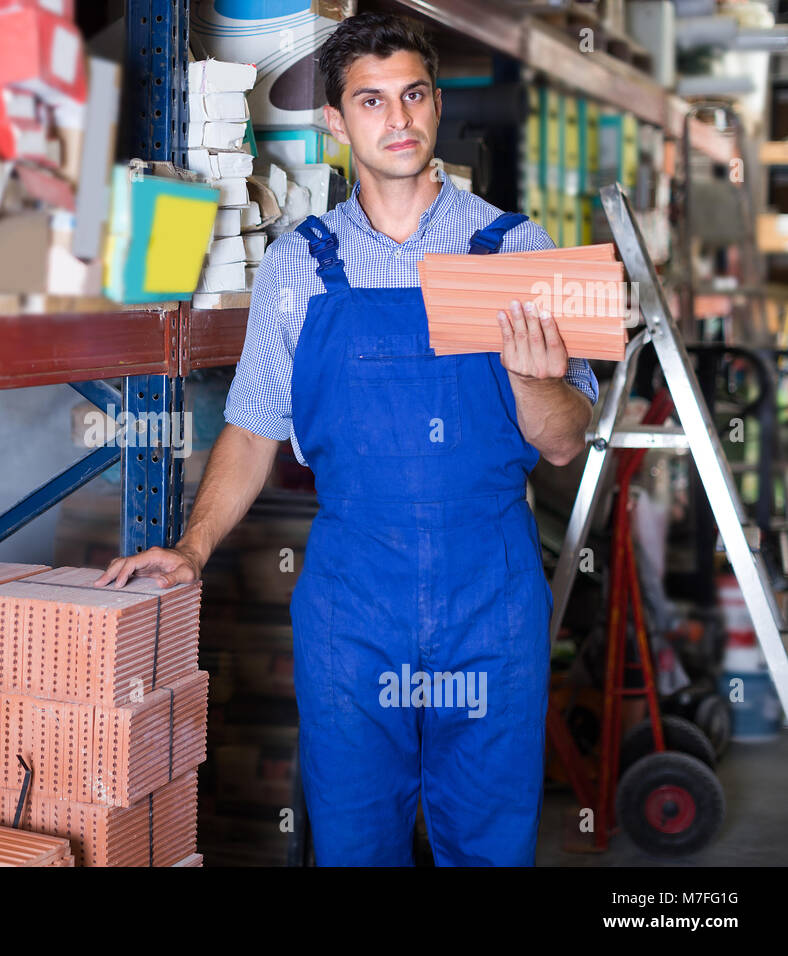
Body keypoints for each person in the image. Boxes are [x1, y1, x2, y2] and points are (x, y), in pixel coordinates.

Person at [95, 12, 598, 865]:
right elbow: (253, 426)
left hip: (491, 601)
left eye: (412, 96)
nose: (397, 120)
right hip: (354, 609)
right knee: (355, 843)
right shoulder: (300, 263)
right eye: (371, 101)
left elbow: (562, 441)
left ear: (437, 105)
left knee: (492, 842)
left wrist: (530, 374)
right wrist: (193, 544)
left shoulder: (514, 250)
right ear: (335, 122)